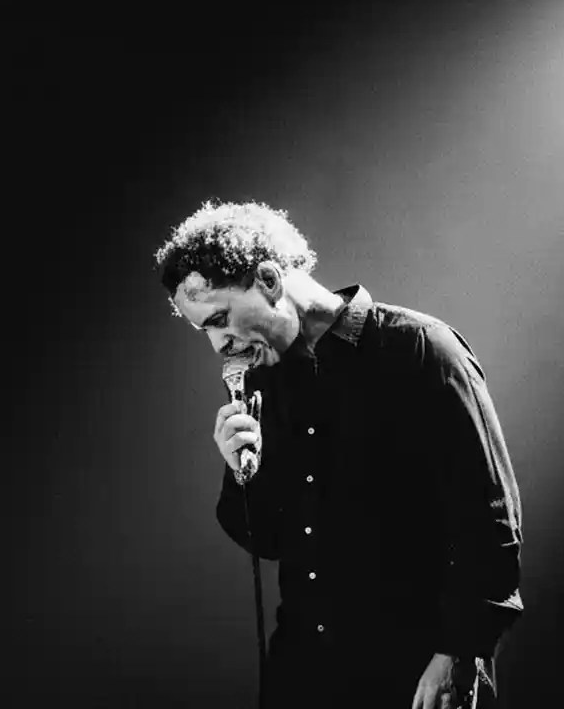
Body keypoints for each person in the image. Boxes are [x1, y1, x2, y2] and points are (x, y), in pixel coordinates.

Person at [153, 201, 524, 709]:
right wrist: (244, 474)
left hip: (414, 673)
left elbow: (491, 521)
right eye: (206, 331)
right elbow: (270, 539)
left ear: (268, 280)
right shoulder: (259, 379)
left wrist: (459, 652)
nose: (220, 345)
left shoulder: (423, 351)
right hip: (303, 676)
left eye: (220, 319)